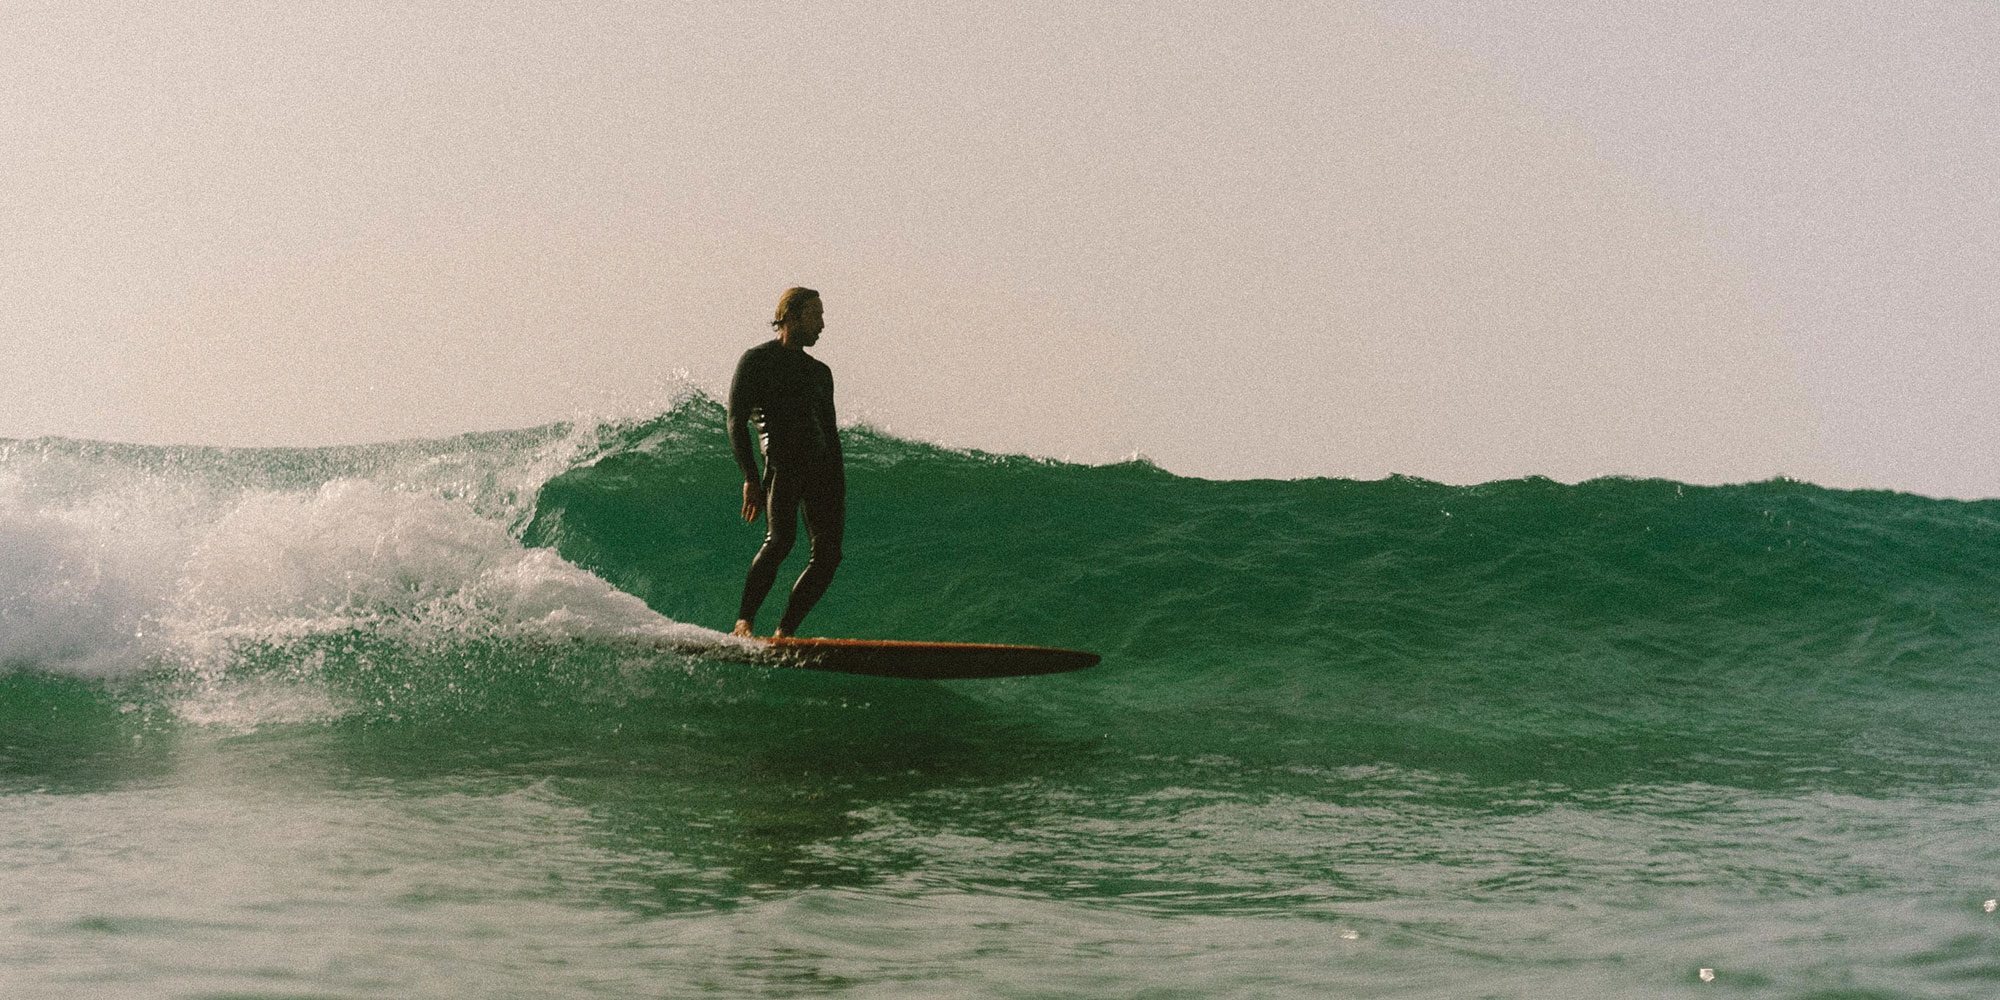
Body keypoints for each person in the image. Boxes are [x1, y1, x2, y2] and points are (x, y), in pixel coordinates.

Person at [727, 287, 844, 638]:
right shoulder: (757, 360)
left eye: (822, 316)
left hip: (821, 471)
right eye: (815, 315)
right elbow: (735, 420)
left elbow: (831, 433)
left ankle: (785, 633)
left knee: (828, 558)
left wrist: (838, 485)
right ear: (790, 316)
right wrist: (750, 476)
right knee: (780, 541)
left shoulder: (820, 373)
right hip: (782, 465)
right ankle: (744, 622)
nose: (822, 324)